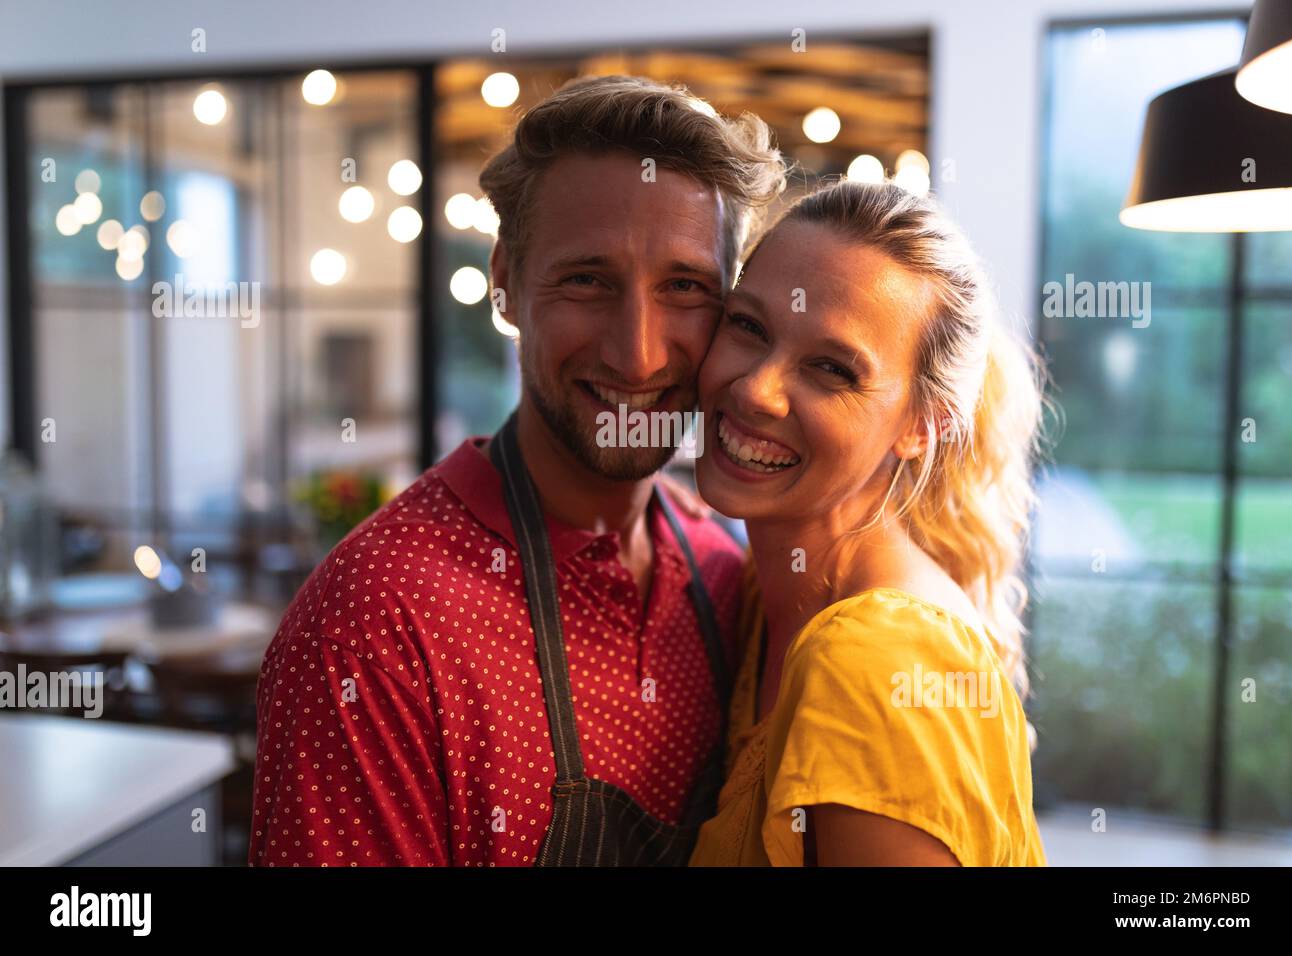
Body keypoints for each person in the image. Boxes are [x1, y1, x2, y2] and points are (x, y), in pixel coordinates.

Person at [248, 75, 786, 866]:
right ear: (505, 281)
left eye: (685, 287)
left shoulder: (725, 571)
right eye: (587, 279)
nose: (636, 352)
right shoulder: (374, 626)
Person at [688, 180, 1048, 866]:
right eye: (748, 327)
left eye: (831, 368)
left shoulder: (878, 657)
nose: (757, 389)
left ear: (922, 427)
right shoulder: (770, 599)